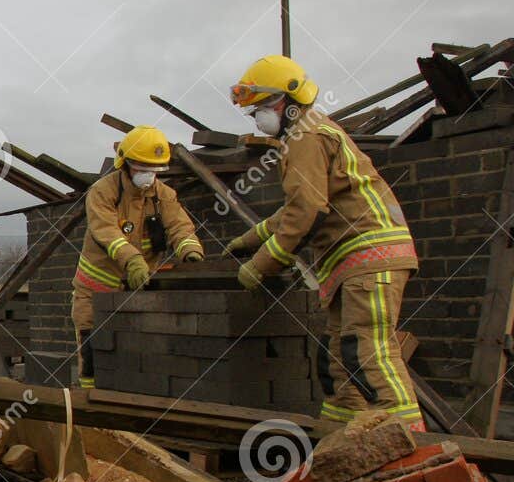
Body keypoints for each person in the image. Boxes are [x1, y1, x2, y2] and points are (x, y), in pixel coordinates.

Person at [224, 55, 422, 429]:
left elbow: (307, 210)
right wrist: (252, 238)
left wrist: (261, 264)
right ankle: (341, 442)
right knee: (337, 362)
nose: (259, 119)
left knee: (368, 356)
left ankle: (415, 453)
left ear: (291, 102)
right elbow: (299, 207)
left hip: (371, 257)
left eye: (264, 108)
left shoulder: (307, 136)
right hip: (354, 264)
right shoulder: (306, 136)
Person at [71, 126, 203, 388]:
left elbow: (179, 226)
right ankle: (91, 408)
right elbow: (106, 231)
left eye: (154, 169)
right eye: (142, 167)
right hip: (96, 290)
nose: (148, 175)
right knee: (93, 352)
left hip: (138, 288)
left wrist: (191, 251)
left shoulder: (163, 195)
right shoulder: (103, 192)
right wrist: (132, 260)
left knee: (137, 354)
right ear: (125, 163)